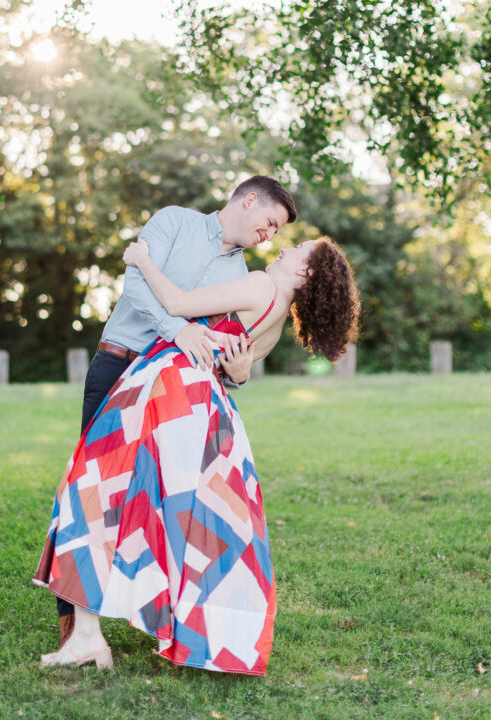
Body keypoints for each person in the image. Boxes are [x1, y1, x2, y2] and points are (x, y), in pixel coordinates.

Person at [33, 232, 360, 674]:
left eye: (296, 249)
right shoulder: (277, 318)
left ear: (307, 272)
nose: (283, 248)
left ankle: (88, 636)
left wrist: (142, 259)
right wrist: (240, 376)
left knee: (96, 493)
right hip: (201, 406)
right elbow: (231, 374)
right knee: (172, 516)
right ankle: (122, 632)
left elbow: (178, 305)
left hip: (166, 391)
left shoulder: (261, 286)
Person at [52, 176, 298, 645]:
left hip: (169, 397)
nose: (270, 236)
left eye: (277, 232)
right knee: (90, 491)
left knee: (153, 501)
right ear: (249, 201)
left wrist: (239, 373)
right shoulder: (174, 221)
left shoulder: (247, 278)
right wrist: (175, 329)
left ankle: (154, 612)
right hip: (116, 367)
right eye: (270, 223)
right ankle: (75, 631)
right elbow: (136, 283)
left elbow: (225, 354)